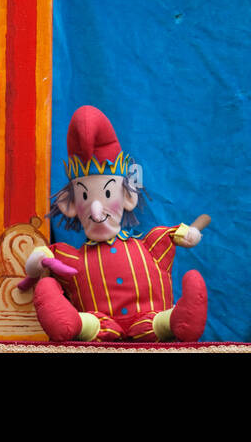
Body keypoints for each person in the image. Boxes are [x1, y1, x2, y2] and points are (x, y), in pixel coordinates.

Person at [23, 105, 208, 342]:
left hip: (150, 320)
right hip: (99, 324)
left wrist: (188, 233)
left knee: (156, 322)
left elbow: (174, 235)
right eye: (85, 198)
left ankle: (175, 320)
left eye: (108, 195)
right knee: (88, 322)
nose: (96, 209)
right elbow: (43, 256)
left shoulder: (149, 248)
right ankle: (72, 323)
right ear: (69, 206)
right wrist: (36, 260)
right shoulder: (73, 260)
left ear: (128, 198)